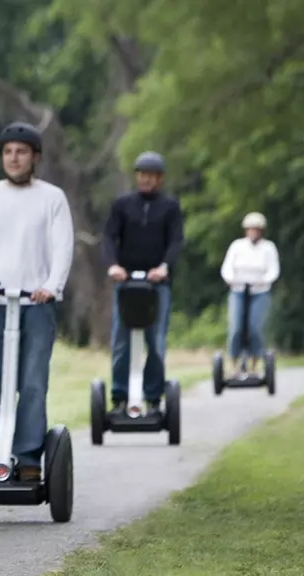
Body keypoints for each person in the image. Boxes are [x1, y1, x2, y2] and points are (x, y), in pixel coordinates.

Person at [0, 121, 74, 482]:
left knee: (33, 383)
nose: (14, 158)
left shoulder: (52, 197)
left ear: (35, 157)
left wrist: (51, 286)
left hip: (36, 305)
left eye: (21, 152)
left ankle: (26, 458)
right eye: (8, 152)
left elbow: (62, 247)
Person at [101, 151, 184, 418]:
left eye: (151, 175)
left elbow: (175, 241)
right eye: (142, 175)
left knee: (155, 341)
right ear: (136, 176)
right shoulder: (123, 204)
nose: (146, 180)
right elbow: (109, 237)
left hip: (156, 284)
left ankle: (153, 399)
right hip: (126, 284)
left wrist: (164, 268)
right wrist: (113, 265)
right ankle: (119, 398)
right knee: (120, 341)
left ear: (159, 179)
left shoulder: (170, 207)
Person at [220, 211, 280, 376]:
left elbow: (273, 270)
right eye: (250, 229)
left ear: (261, 231)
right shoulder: (237, 246)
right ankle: (233, 365)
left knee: (255, 329)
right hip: (238, 291)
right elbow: (227, 267)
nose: (253, 232)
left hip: (259, 292)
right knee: (236, 328)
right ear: (245, 230)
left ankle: (254, 365)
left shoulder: (268, 248)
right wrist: (230, 278)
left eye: (256, 229)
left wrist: (265, 280)